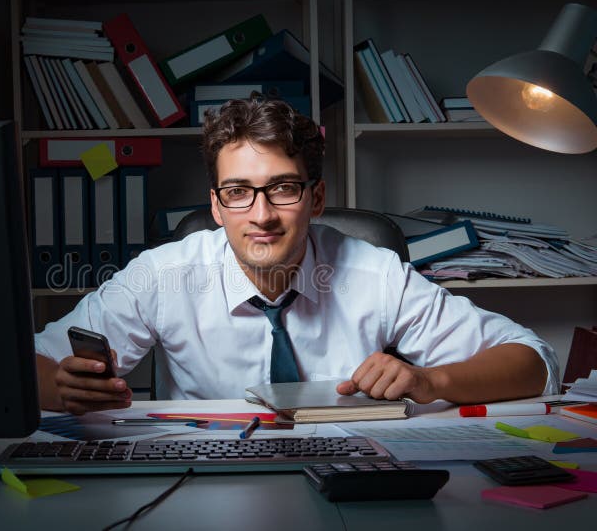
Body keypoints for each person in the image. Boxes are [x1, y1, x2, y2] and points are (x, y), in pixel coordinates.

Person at [34, 96, 559, 414]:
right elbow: (28, 366)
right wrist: (62, 387)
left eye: (282, 188)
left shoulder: (375, 275)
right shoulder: (164, 275)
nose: (261, 215)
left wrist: (431, 380)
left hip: (347, 469)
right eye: (238, 192)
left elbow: (532, 361)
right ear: (216, 206)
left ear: (317, 198)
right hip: (207, 476)